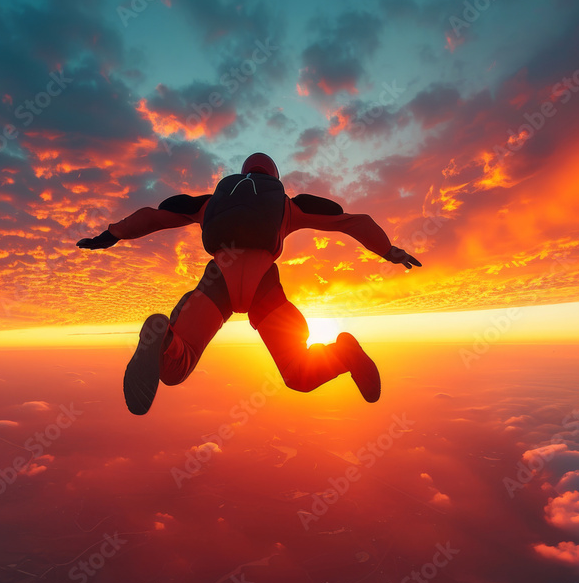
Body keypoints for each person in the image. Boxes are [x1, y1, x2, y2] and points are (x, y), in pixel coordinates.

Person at [76, 153, 421, 415]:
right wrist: (388, 250)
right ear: (275, 177)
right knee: (299, 374)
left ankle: (165, 337)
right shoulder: (288, 206)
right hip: (264, 285)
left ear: (243, 173)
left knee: (174, 368)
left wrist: (113, 233)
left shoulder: (212, 202)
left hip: (218, 279)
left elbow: (155, 214)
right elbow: (351, 221)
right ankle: (344, 354)